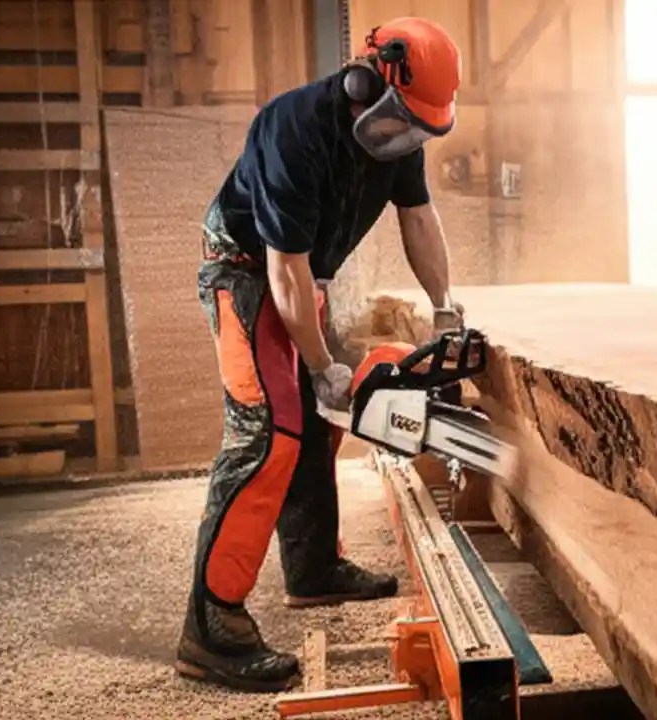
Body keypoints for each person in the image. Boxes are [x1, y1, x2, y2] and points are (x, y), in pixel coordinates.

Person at [174, 16, 466, 692]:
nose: (409, 137)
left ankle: (312, 571)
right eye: (404, 119)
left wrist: (445, 305)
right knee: (267, 434)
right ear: (366, 79)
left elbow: (418, 217)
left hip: (308, 280)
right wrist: (318, 365)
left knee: (317, 429)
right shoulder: (294, 128)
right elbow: (282, 272)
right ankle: (211, 629)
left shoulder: (400, 137)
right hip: (245, 275)